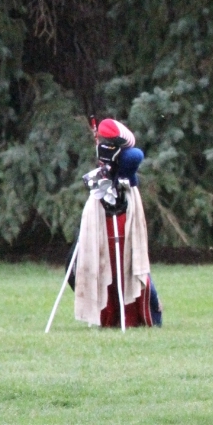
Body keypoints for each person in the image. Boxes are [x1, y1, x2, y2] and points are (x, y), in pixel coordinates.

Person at [73, 118, 162, 328]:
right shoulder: (104, 172)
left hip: (122, 220)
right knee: (81, 263)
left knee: (127, 268)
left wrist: (115, 154)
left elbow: (134, 153)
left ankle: (135, 316)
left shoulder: (125, 167)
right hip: (101, 221)